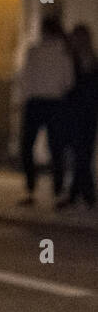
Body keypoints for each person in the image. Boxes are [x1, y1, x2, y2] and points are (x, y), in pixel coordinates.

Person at [17, 14, 75, 206]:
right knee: (56, 148)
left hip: (36, 103)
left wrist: (22, 101)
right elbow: (69, 82)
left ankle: (30, 189)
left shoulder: (34, 51)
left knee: (28, 146)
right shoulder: (63, 53)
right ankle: (57, 191)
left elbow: (24, 79)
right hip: (55, 103)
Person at [61, 24, 98, 209]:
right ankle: (82, 193)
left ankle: (83, 193)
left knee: (83, 153)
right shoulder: (71, 60)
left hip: (86, 113)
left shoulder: (88, 61)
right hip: (76, 112)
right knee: (79, 153)